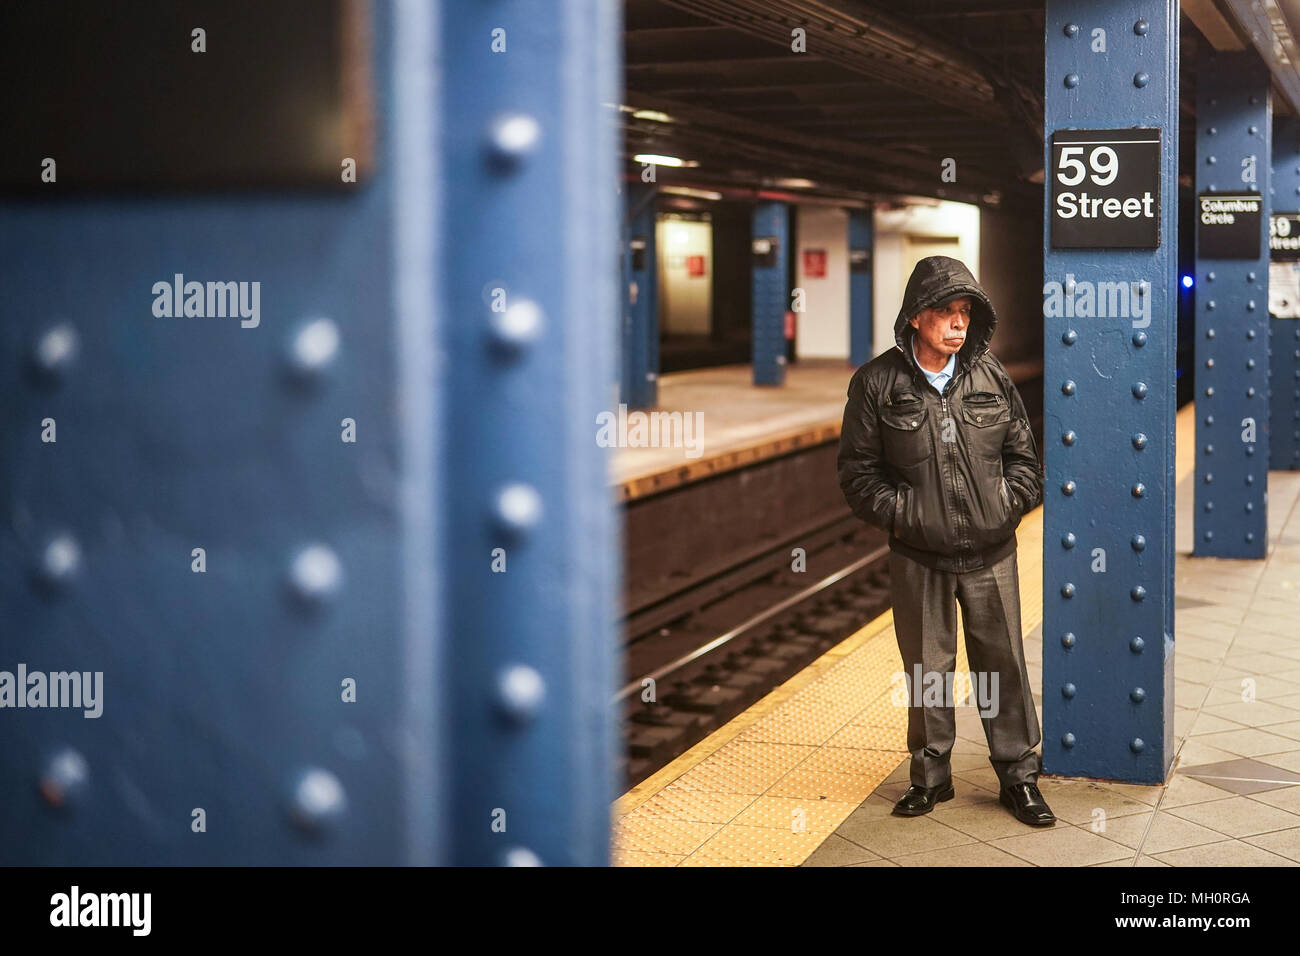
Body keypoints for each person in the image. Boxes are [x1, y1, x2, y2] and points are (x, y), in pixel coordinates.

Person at [836, 255, 1054, 827]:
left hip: (991, 554)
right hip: (918, 556)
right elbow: (858, 475)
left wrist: (1003, 506)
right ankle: (931, 778)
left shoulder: (990, 376)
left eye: (965, 314)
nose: (957, 324)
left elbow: (1025, 460)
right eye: (944, 313)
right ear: (915, 318)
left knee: (1001, 664)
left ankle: (1019, 778)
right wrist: (909, 514)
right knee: (928, 669)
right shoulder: (877, 384)